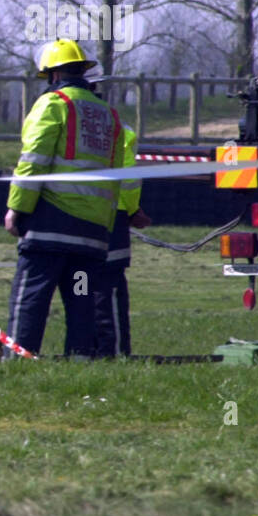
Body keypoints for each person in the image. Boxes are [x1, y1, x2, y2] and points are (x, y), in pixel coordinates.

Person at [4, 39, 122, 358]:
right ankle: (80, 360)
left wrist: (17, 208)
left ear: (53, 75)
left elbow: (33, 162)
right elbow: (115, 174)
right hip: (92, 233)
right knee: (81, 298)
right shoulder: (108, 114)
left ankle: (19, 361)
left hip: (50, 225)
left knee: (32, 297)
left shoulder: (53, 104)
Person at [93, 121, 151, 355]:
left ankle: (83, 349)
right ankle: (114, 352)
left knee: (80, 284)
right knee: (109, 286)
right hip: (112, 220)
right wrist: (131, 210)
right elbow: (127, 181)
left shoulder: (56, 118)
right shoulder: (117, 129)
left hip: (74, 218)